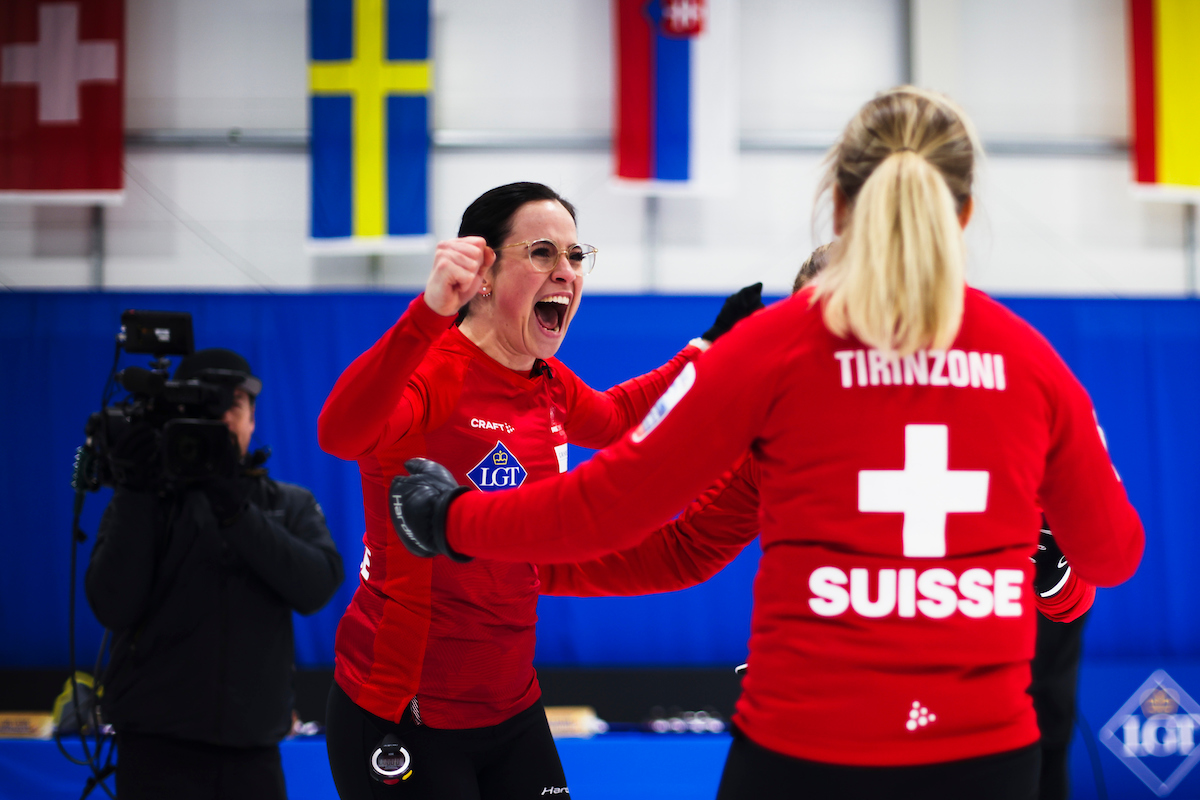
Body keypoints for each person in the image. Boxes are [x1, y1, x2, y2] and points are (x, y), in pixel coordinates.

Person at [389, 89, 1145, 799]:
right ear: (968, 211)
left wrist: (454, 520)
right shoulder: (1030, 363)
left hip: (805, 749)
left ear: (841, 206)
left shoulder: (775, 350)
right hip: (982, 759)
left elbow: (611, 503)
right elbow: (1113, 556)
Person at [316, 181, 761, 799]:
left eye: (576, 256)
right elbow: (341, 433)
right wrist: (426, 313)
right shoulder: (437, 374)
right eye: (544, 253)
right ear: (485, 273)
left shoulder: (545, 381)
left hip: (510, 705)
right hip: (405, 712)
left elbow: (617, 417)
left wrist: (708, 350)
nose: (566, 272)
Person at [86, 348, 345, 800]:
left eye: (233, 405)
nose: (222, 420)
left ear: (252, 420)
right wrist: (136, 489)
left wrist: (234, 508)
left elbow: (317, 585)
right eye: (205, 408)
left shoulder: (287, 503)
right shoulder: (145, 499)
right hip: (153, 750)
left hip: (253, 753)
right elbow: (112, 602)